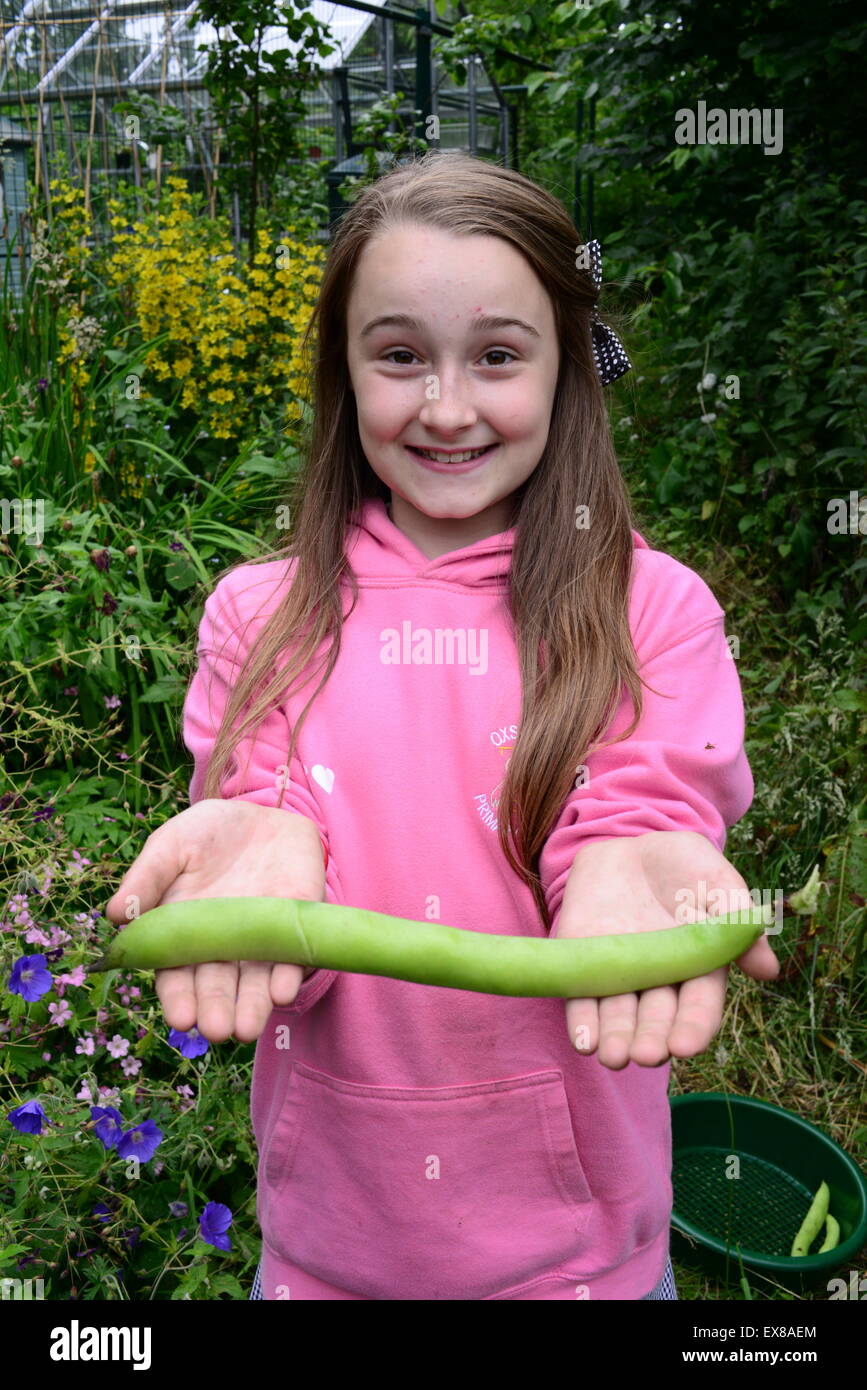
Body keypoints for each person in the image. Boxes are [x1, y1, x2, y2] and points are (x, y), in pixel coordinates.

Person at [104, 150, 779, 1301]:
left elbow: (644, 794)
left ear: (570, 371)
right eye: (401, 355)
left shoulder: (652, 610)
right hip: (326, 1262)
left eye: (500, 356)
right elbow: (268, 820)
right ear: (343, 372)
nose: (448, 407)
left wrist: (625, 856)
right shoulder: (257, 614)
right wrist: (269, 850)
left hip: (585, 1270)